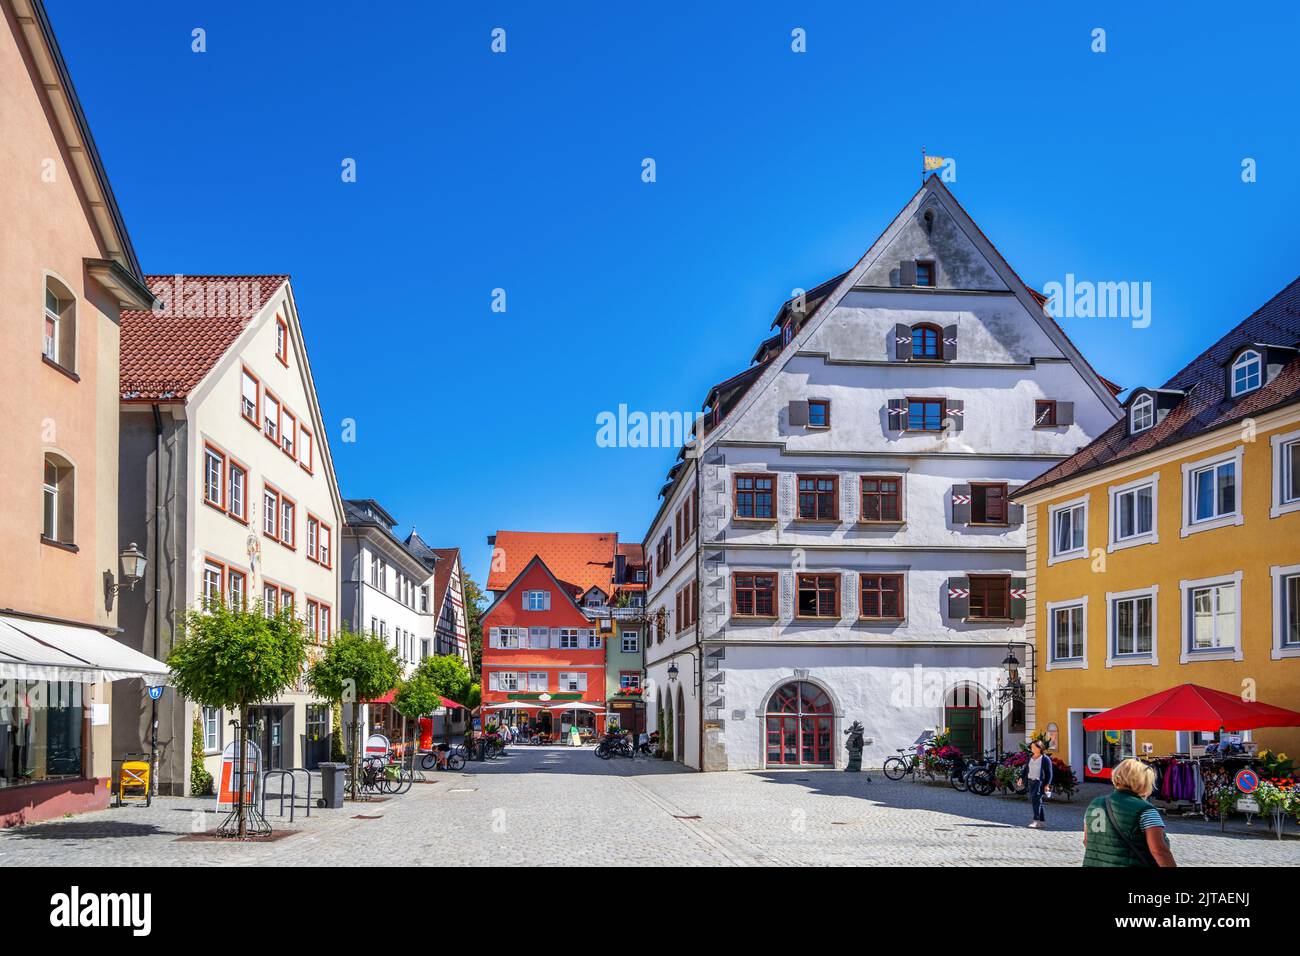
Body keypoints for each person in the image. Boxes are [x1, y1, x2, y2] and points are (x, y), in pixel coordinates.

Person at [1082, 758, 1176, 867]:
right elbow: (1159, 851)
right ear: (1144, 782)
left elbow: (1086, 841)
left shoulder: (1094, 804)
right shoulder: (1146, 810)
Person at [1021, 739, 1053, 828]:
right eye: (1031, 747)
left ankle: (1036, 821)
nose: (1032, 749)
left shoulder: (1045, 759)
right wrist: (1021, 778)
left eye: (1034, 747)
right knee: (1037, 801)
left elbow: (1049, 773)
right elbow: (1026, 769)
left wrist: (1047, 784)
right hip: (1031, 781)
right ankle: (1042, 821)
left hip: (1040, 782)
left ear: (1039, 748)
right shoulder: (1030, 757)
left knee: (1035, 800)